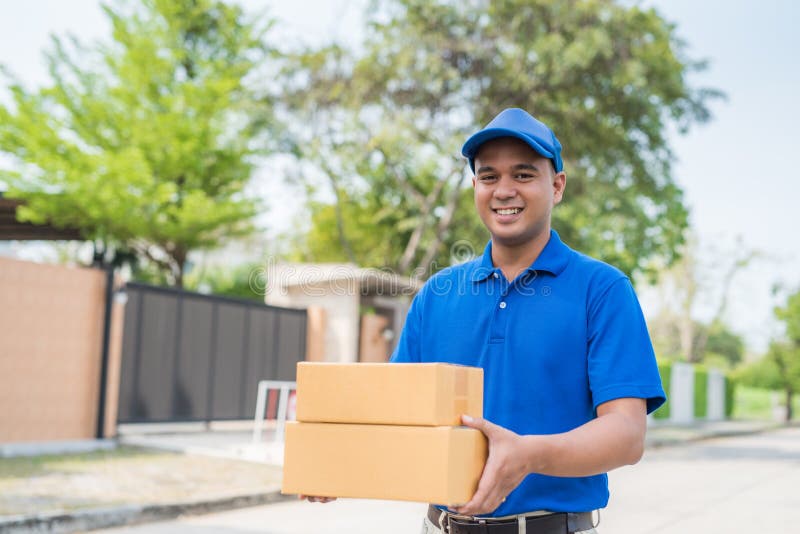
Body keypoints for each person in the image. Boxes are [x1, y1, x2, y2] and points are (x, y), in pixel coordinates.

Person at [388, 108, 666, 534]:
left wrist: (529, 454)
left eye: (522, 175)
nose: (503, 190)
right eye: (488, 176)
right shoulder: (437, 295)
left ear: (556, 186)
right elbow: (396, 417)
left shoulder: (603, 290)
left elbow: (627, 435)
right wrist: (337, 460)